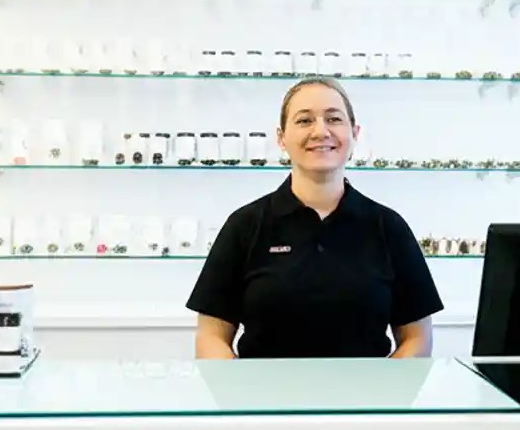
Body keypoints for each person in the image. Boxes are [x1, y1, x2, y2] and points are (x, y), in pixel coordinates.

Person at [187, 77, 443, 359]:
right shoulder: (245, 225)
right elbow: (211, 336)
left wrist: (382, 396)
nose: (321, 131)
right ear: (281, 137)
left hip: (364, 401)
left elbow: (417, 338)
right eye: (304, 120)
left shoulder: (388, 227)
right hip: (265, 400)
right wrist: (243, 396)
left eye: (333, 119)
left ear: (354, 133)